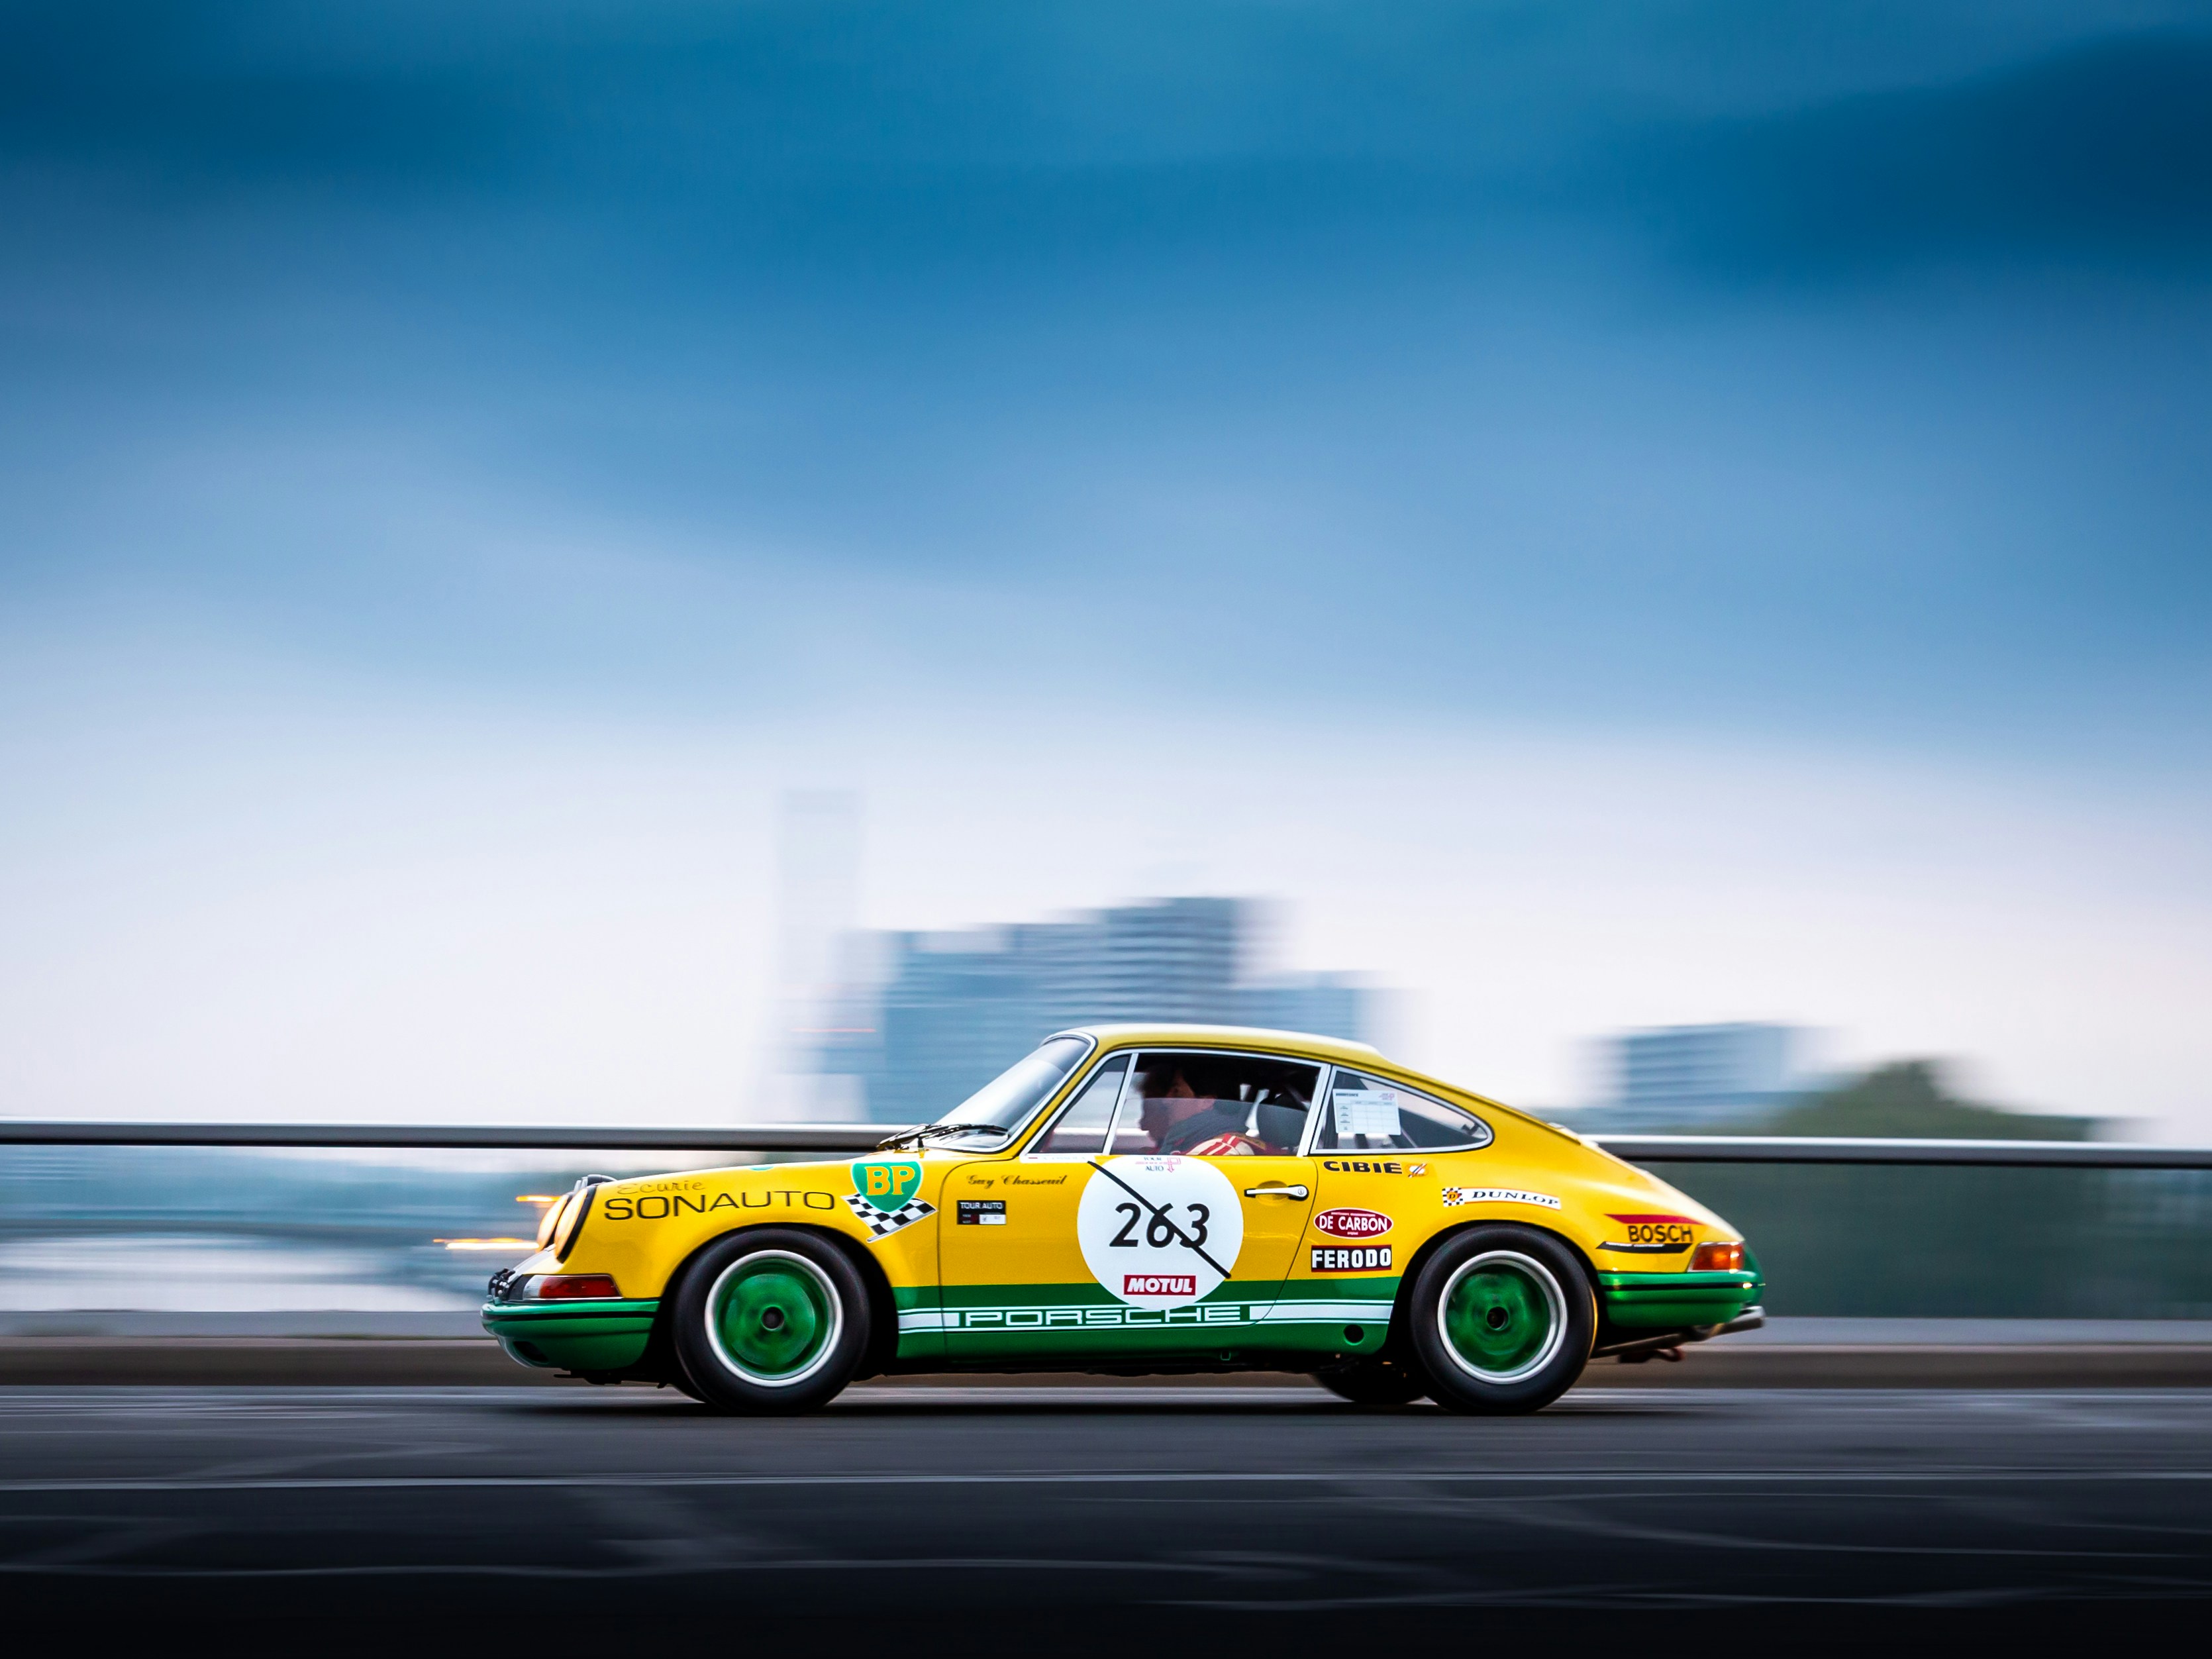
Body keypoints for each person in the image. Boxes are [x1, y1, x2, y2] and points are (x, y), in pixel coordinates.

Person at [1139, 1068, 1262, 1156]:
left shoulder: (1217, 1154)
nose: (1167, 1101)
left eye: (1176, 1092)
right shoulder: (1190, 1142)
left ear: (1206, 1102)